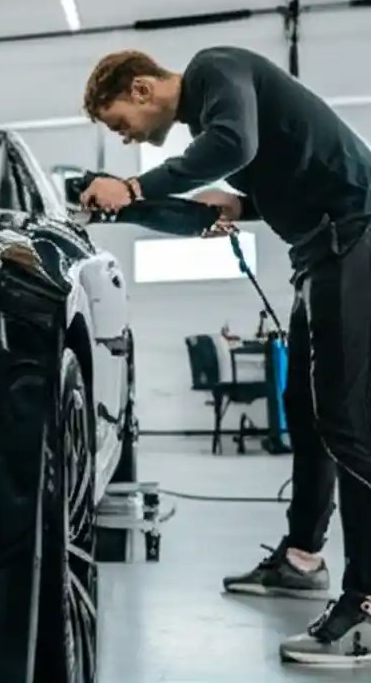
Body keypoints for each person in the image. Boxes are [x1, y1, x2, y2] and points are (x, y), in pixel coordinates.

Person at [79, 46, 371, 665]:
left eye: (117, 123)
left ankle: (368, 604)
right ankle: (301, 559)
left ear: (139, 88)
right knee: (309, 412)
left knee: (347, 420)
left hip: (357, 235)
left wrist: (132, 186)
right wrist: (241, 205)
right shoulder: (209, 116)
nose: (123, 135)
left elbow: (233, 145)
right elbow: (284, 170)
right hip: (321, 250)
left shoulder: (214, 71)